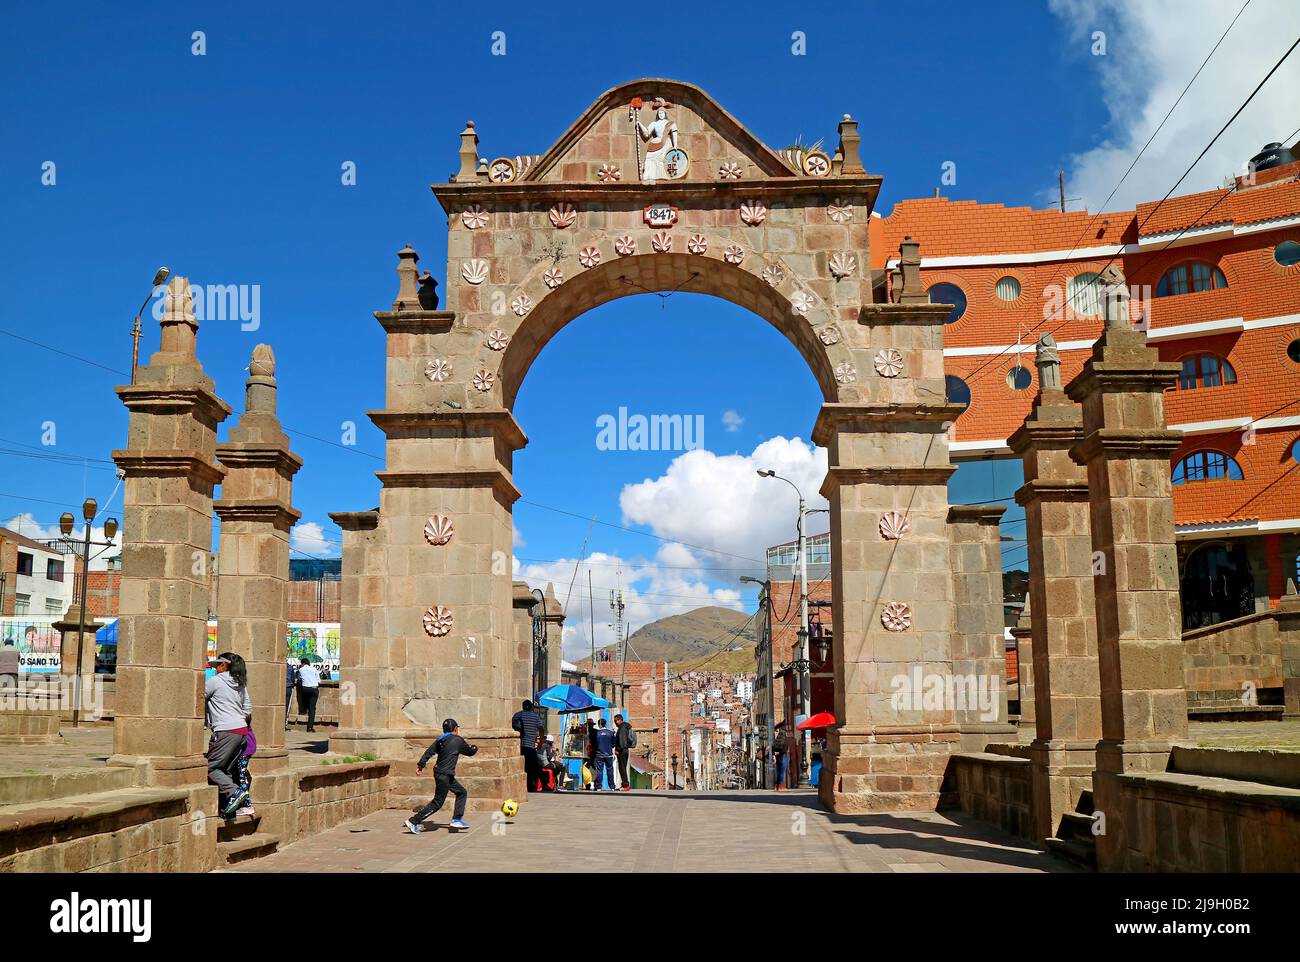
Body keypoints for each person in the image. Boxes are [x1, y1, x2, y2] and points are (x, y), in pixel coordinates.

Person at [405, 718, 478, 833]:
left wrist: (420, 766)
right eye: (457, 728)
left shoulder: (440, 739)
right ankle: (413, 821)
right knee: (437, 802)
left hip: (442, 773)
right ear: (455, 729)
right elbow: (470, 752)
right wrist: (474, 748)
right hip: (445, 774)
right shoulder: (458, 740)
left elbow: (428, 752)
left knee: (461, 792)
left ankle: (457, 819)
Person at [205, 653, 253, 819]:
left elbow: (198, 698)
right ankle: (229, 810)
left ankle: (236, 792)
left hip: (225, 730)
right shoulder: (240, 683)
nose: (215, 668)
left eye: (218, 664)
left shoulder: (215, 681)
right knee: (226, 770)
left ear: (224, 666)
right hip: (241, 731)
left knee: (211, 767)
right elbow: (247, 709)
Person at [511, 699, 544, 792]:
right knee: (532, 768)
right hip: (530, 746)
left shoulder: (517, 715)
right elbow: (541, 729)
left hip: (520, 746)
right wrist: (540, 742)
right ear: (531, 707)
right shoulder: (536, 717)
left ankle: (520, 786)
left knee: (522, 767)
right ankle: (530, 786)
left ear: (522, 706)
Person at [591, 718, 618, 791]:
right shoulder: (610, 733)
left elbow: (594, 744)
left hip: (599, 755)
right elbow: (614, 743)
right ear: (605, 724)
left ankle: (599, 787)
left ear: (599, 724)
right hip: (609, 754)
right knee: (610, 770)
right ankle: (612, 786)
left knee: (600, 771)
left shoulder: (596, 733)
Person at [297, 658, 320, 732]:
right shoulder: (314, 669)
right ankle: (310, 727)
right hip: (314, 688)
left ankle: (304, 708)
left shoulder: (301, 670)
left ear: (303, 663)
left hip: (305, 689)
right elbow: (318, 680)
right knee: (312, 708)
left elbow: (299, 679)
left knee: (304, 699)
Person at [614, 713, 635, 792]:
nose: (615, 722)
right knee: (622, 768)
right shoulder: (625, 727)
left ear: (620, 720)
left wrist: (618, 750)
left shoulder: (622, 728)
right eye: (615, 721)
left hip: (622, 751)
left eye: (616, 720)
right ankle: (624, 784)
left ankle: (625, 785)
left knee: (622, 768)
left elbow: (622, 741)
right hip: (625, 750)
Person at [284, 660, 299, 731]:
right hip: (288, 688)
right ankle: (284, 725)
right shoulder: (290, 667)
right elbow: (293, 679)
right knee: (287, 707)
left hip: (280, 688)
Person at [584, 718, 598, 790]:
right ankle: (588, 784)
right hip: (586, 752)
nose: (590, 726)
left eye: (590, 725)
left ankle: (594, 783)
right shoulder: (585, 732)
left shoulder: (595, 732)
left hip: (593, 752)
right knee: (586, 768)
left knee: (594, 768)